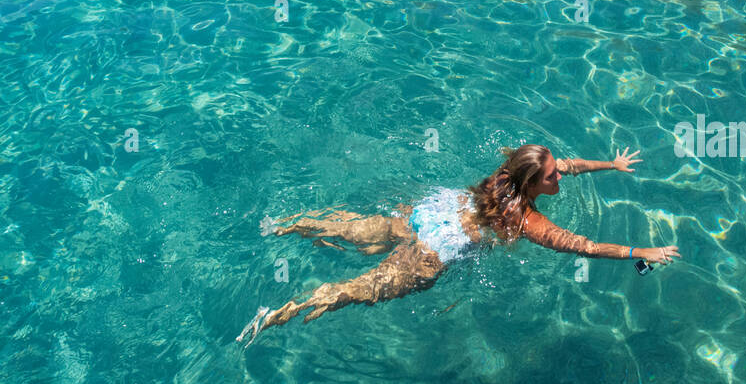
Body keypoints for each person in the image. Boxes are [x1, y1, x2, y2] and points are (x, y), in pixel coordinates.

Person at [236, 143, 681, 343]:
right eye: (553, 177)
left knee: (354, 229)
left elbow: (567, 161)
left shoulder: (507, 173)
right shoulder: (526, 220)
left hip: (429, 212)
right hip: (436, 251)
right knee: (356, 290)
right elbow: (582, 246)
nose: (560, 175)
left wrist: (610, 164)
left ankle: (284, 225)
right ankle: (276, 316)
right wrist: (639, 253)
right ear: (533, 182)